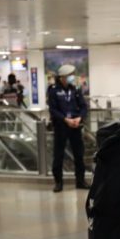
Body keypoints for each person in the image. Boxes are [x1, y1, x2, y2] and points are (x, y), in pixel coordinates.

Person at [46, 65, 88, 193]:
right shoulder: (53, 91)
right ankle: (58, 182)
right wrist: (65, 119)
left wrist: (79, 118)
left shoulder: (75, 89)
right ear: (62, 77)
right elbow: (53, 109)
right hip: (61, 126)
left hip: (75, 126)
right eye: (70, 75)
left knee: (79, 154)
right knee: (58, 155)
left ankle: (80, 181)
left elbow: (83, 106)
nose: (72, 77)